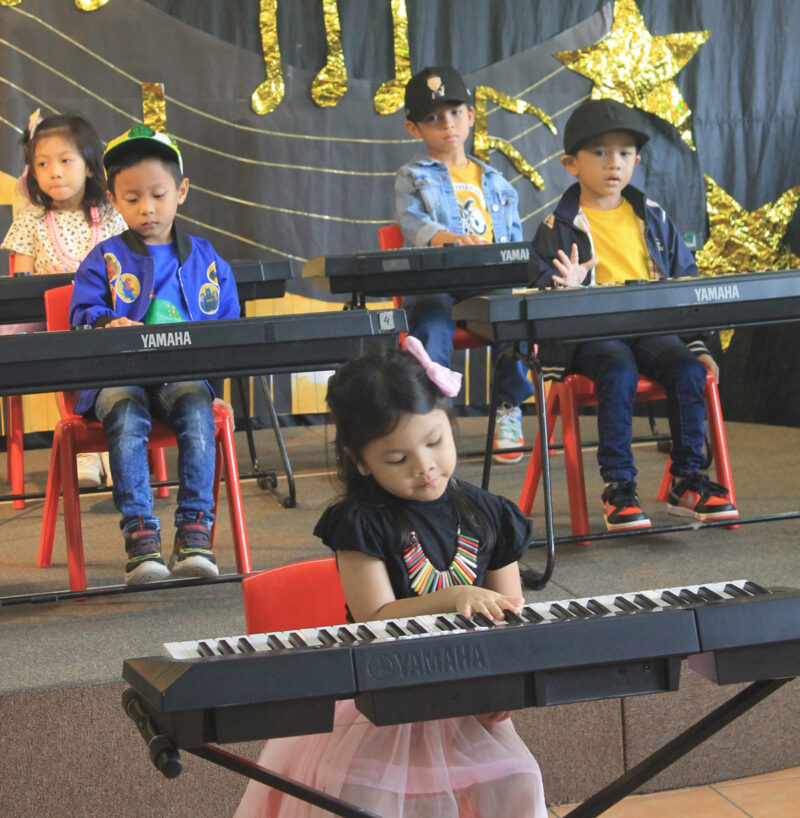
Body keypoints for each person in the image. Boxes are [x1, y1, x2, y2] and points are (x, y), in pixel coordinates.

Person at [234, 342, 547, 818]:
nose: (424, 466)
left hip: (467, 693)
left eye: (435, 442)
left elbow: (510, 608)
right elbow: (374, 617)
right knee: (366, 796)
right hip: (379, 699)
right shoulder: (359, 521)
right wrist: (455, 596)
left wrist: (507, 683)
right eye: (397, 459)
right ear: (360, 461)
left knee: (517, 781)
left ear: (448, 420)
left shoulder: (490, 514)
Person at [529, 98, 738, 530]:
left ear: (637, 161)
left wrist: (697, 344)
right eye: (600, 152)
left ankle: (687, 479)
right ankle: (618, 486)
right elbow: (538, 292)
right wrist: (562, 291)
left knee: (687, 370)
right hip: (592, 336)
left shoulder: (653, 217)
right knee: (618, 369)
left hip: (650, 329)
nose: (614, 163)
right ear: (571, 164)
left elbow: (685, 283)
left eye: (625, 153)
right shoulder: (557, 225)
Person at [69, 125, 240, 585]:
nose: (147, 209)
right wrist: (107, 321)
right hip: (118, 374)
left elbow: (226, 328)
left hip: (180, 374)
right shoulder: (102, 257)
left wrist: (215, 386)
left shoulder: (205, 258)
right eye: (131, 198)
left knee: (197, 411)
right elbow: (82, 312)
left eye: (158, 195)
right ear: (113, 199)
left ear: (181, 191)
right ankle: (140, 536)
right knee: (125, 416)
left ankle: (194, 532)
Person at [395, 66, 534, 464]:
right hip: (435, 281)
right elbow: (413, 224)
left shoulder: (497, 183)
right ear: (413, 128)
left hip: (485, 284)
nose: (447, 125)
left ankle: (509, 408)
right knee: (430, 328)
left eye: (455, 113)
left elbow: (513, 247)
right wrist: (451, 239)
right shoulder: (412, 175)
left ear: (471, 116)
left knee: (515, 310)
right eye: (433, 118)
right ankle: (433, 420)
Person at [1, 111, 127, 488]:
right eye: (42, 164)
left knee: (111, 342)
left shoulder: (109, 215)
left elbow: (127, 271)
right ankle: (86, 450)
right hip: (50, 322)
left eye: (65, 160)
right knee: (69, 344)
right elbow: (20, 283)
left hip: (102, 321)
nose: (54, 171)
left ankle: (112, 445)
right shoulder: (30, 219)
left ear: (89, 166)